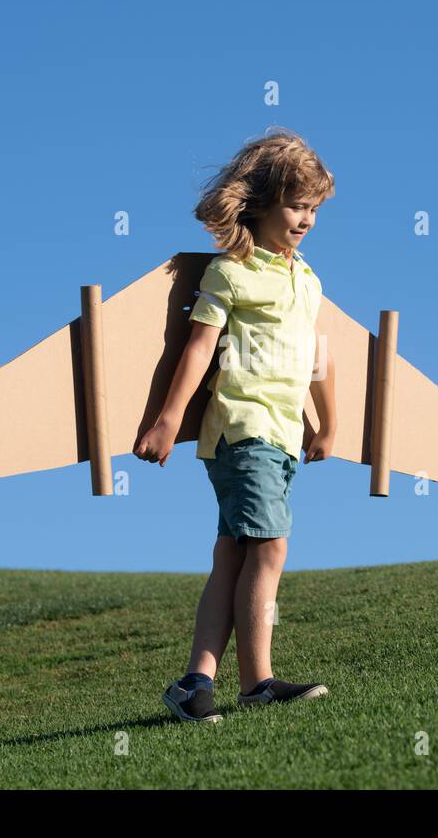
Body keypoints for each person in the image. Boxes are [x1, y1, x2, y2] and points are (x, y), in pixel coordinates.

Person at [134, 126, 338, 722]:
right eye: (296, 206)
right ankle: (257, 683)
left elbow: (317, 355)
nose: (306, 219)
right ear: (262, 205)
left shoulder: (307, 279)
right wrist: (168, 420)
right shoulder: (230, 271)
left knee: (233, 555)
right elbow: (199, 347)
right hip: (242, 429)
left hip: (283, 436)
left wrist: (327, 423)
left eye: (314, 208)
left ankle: (195, 683)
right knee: (270, 547)